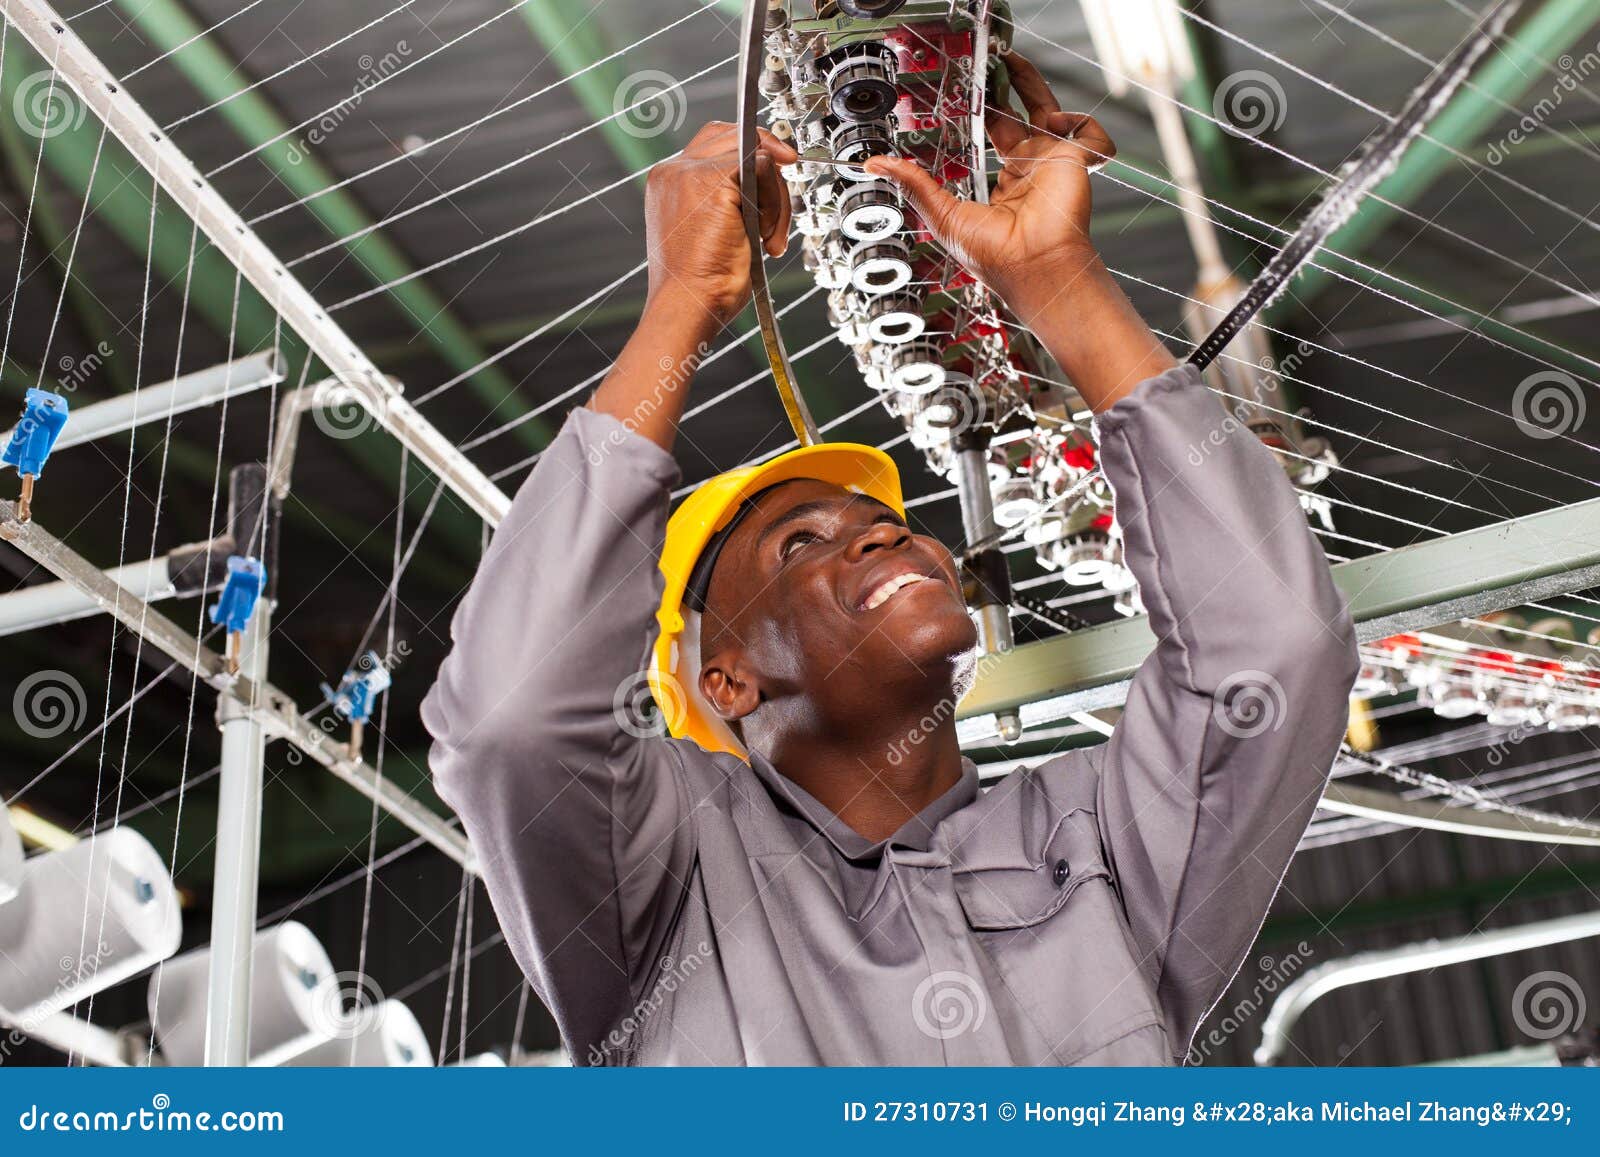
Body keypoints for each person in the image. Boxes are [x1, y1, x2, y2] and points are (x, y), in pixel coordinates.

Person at [421, 53, 1358, 1066]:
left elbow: (1276, 650)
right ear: (721, 676)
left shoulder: (1094, 844)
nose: (884, 530)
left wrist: (1060, 282)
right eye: (800, 543)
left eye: (881, 519)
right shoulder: (667, 884)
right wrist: (679, 306)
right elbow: (510, 721)